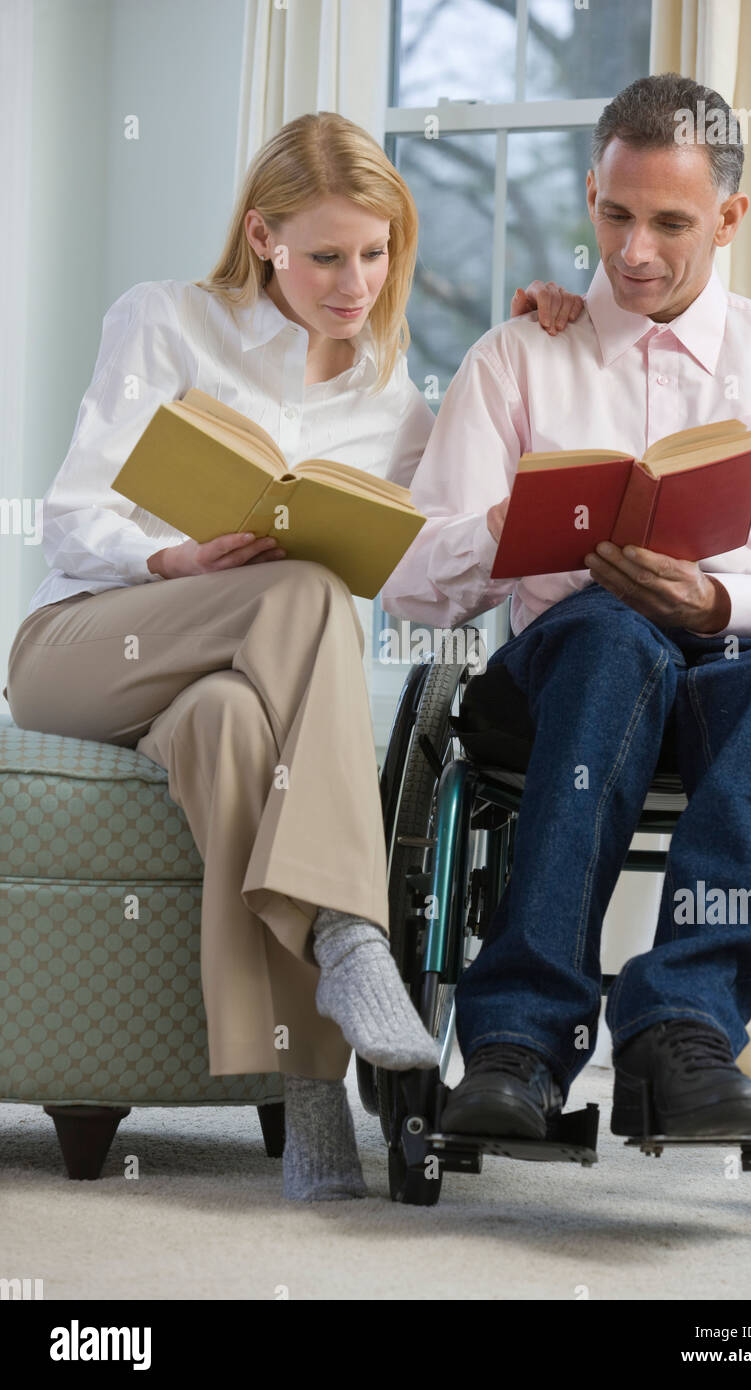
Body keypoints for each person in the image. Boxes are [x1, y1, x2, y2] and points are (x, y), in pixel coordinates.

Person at [2, 111, 582, 1199]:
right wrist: (174, 558)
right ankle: (352, 930)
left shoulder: (390, 404)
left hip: (221, 685)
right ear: (263, 237)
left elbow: (428, 566)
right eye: (326, 254)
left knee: (232, 730)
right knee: (306, 590)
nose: (355, 282)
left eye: (375, 252)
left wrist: (534, 357)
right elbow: (71, 512)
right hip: (87, 644)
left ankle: (310, 1101)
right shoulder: (165, 322)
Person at [381, 74, 751, 1142]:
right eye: (612, 213)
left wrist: (717, 596)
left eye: (669, 223)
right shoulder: (516, 355)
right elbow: (410, 576)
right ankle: (515, 1040)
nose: (632, 251)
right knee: (605, 635)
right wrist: (521, 522)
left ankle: (680, 1033)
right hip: (567, 679)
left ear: (729, 218)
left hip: (745, 669)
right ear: (589, 195)